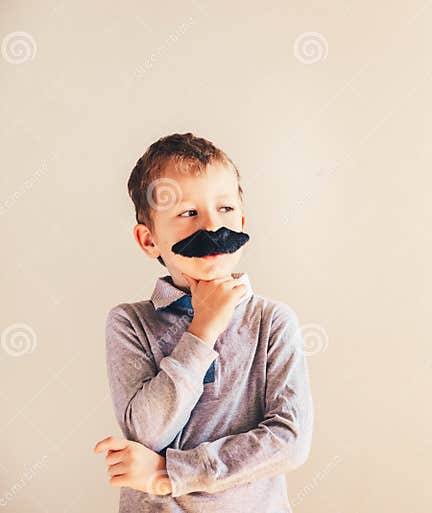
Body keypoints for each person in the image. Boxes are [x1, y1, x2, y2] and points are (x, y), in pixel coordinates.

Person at [92, 132, 314, 513]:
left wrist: (167, 472)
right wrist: (203, 330)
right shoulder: (129, 323)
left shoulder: (272, 322)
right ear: (149, 241)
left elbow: (288, 441)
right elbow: (147, 432)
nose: (212, 227)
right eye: (188, 213)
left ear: (243, 221)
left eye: (225, 209)